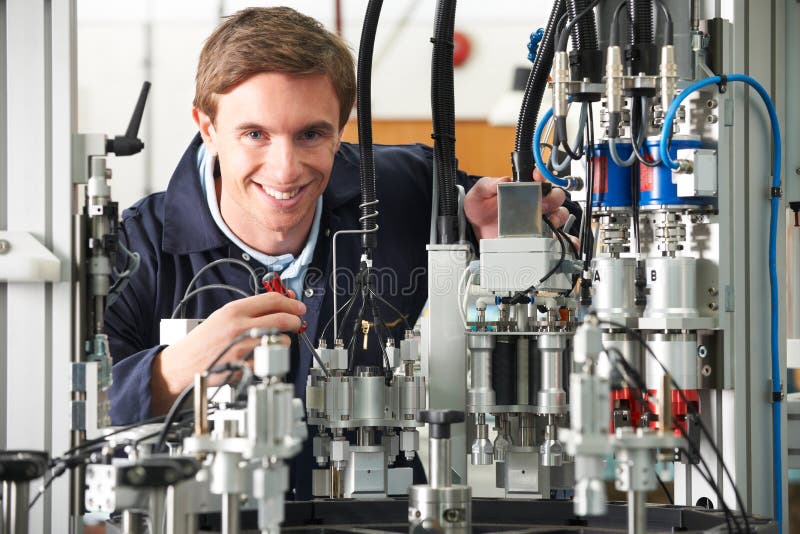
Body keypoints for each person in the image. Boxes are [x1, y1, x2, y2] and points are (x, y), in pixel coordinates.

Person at [105, 6, 581, 499]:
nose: (285, 169)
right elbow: (66, 418)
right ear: (207, 127)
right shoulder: (137, 250)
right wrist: (172, 373)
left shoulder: (413, 188)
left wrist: (493, 232)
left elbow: (531, 242)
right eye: (255, 134)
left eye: (311, 134)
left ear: (341, 126)